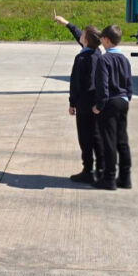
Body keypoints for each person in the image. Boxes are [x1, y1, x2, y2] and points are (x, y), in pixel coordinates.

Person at [54, 15, 104, 184]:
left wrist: (72, 103)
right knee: (97, 136)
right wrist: (67, 23)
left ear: (86, 41)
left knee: (85, 137)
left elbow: (76, 84)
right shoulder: (97, 52)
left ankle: (88, 170)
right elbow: (81, 38)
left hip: (84, 103)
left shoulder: (81, 59)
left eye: (83, 34)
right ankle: (101, 170)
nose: (80, 35)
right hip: (98, 103)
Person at [92, 24, 133, 191]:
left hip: (110, 103)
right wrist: (127, 97)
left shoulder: (104, 59)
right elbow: (129, 82)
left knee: (109, 141)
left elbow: (103, 86)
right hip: (123, 101)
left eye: (102, 39)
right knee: (122, 140)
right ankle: (125, 178)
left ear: (106, 40)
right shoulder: (124, 59)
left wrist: (99, 106)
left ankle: (109, 178)